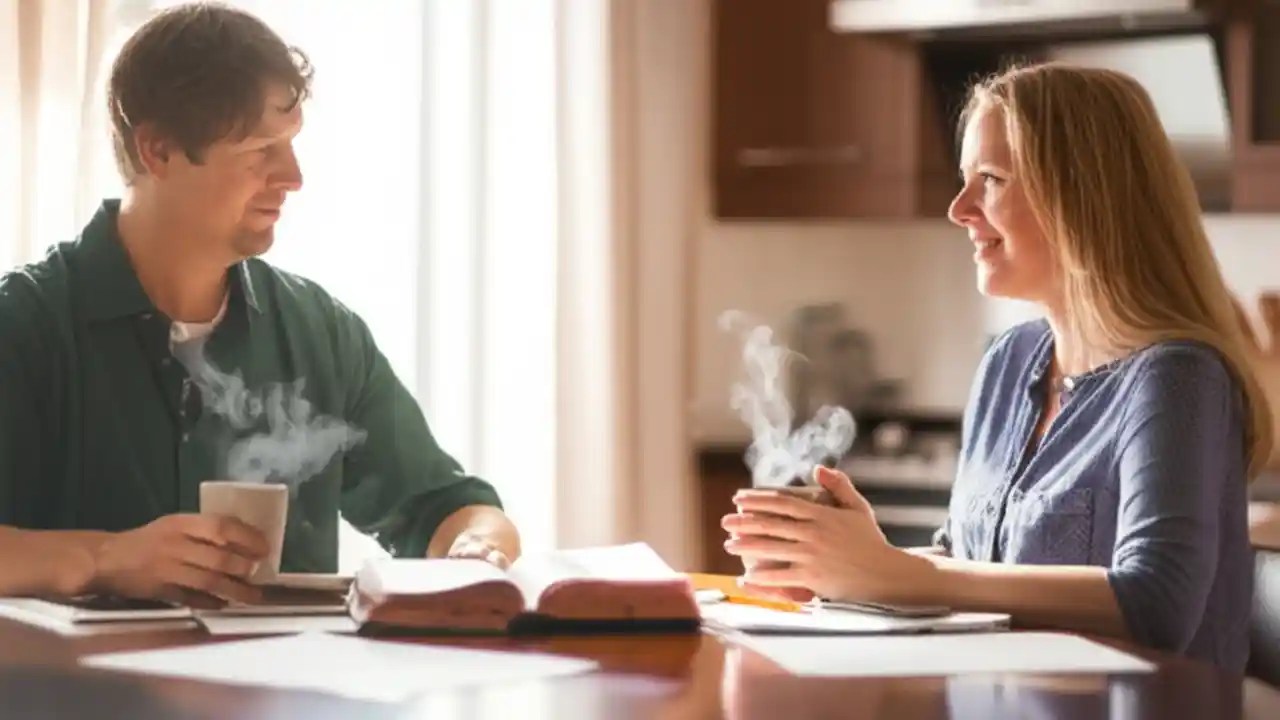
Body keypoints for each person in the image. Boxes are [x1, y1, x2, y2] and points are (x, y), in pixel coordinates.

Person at [722, 63, 1271, 672]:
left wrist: (895, 574)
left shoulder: (1177, 378)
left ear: (1082, 195)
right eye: (965, 181)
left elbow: (1156, 603)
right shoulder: (1009, 363)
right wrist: (841, 570)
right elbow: (968, 561)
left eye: (990, 179)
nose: (959, 209)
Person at [0, 3, 519, 609]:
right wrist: (104, 558)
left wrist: (477, 548)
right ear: (158, 151)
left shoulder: (322, 335)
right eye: (260, 149)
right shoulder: (24, 328)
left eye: (291, 144)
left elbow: (451, 509)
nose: (293, 177)